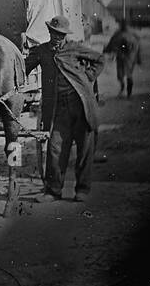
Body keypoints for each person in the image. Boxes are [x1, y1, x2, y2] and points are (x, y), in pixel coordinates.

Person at [25, 15, 105, 203]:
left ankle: (82, 190)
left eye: (60, 34)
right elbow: (24, 67)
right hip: (58, 110)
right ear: (49, 32)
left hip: (81, 106)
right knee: (55, 148)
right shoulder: (42, 51)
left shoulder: (74, 48)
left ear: (65, 35)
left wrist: (88, 77)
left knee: (85, 149)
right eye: (54, 33)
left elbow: (99, 59)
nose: (56, 37)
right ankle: (53, 191)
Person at [102, 22, 143, 98]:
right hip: (128, 58)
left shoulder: (119, 35)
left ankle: (125, 89)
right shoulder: (131, 35)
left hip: (126, 57)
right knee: (126, 74)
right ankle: (126, 91)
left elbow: (111, 45)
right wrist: (138, 58)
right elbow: (138, 47)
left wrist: (106, 50)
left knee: (123, 74)